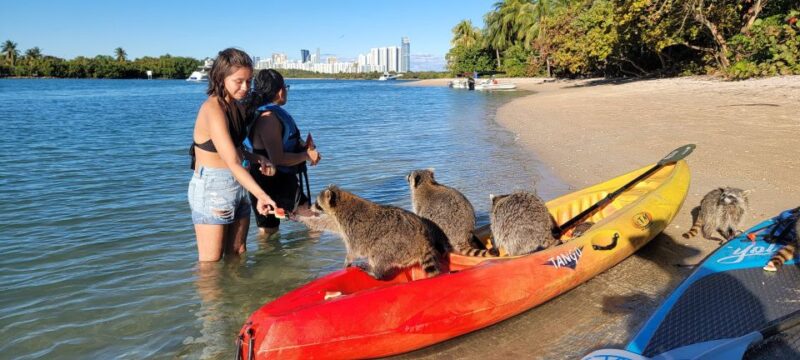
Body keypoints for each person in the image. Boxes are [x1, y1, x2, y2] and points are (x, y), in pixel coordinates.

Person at [188, 48, 278, 262]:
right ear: (220, 77)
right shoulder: (213, 108)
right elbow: (232, 161)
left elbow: (233, 149)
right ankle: (211, 297)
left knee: (238, 254)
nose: (246, 87)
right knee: (211, 263)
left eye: (249, 81)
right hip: (212, 188)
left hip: (236, 184)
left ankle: (237, 296)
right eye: (239, 81)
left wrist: (257, 158)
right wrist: (262, 195)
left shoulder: (235, 106)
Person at [246, 69, 321, 236]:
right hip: (274, 180)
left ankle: (272, 261)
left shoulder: (260, 112)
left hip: (261, 179)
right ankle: (314, 260)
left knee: (268, 231)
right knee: (316, 221)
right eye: (285, 87)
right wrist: (306, 156)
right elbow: (277, 158)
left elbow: (285, 142)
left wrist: (304, 147)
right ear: (280, 91)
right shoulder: (269, 118)